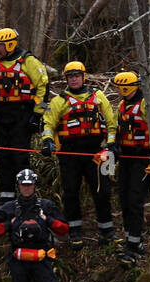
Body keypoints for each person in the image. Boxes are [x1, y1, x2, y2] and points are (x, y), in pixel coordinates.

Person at [41, 62, 117, 248]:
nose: (74, 78)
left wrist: (112, 145)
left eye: (77, 75)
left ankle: (107, 231)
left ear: (84, 76)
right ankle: (74, 232)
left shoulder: (98, 97)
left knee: (102, 191)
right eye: (70, 76)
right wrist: (48, 141)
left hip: (96, 152)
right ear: (66, 79)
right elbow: (48, 124)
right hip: (69, 153)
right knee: (70, 192)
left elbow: (111, 122)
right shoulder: (59, 101)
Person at [0, 28, 49, 206]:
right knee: (4, 158)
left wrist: (36, 116)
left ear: (10, 44)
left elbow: (43, 87)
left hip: (22, 117)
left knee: (20, 158)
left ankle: (26, 199)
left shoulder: (29, 61)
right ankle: (6, 200)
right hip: (2, 118)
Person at [110, 71, 150, 262]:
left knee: (135, 200)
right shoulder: (122, 105)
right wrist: (114, 147)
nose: (118, 91)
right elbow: (119, 129)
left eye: (120, 87)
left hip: (142, 158)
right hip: (126, 157)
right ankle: (129, 239)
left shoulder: (144, 104)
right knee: (124, 199)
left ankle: (135, 243)